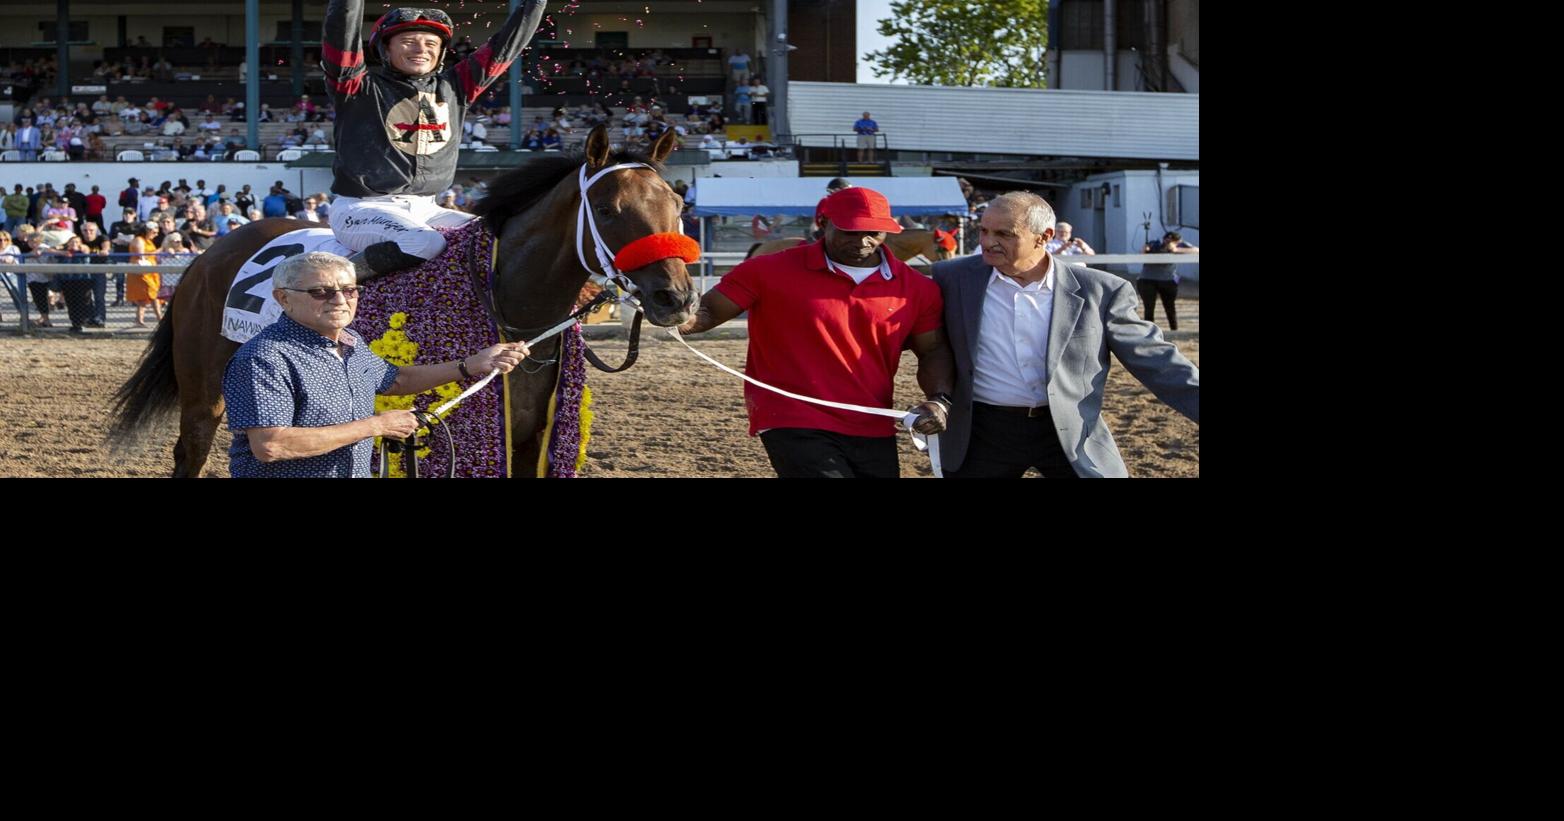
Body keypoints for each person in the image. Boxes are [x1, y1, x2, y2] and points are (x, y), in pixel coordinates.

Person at [679, 186, 954, 478]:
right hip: (792, 416)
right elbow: (705, 314)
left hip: (873, 420)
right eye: (850, 231)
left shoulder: (918, 289)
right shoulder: (765, 270)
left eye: (874, 232)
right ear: (823, 223)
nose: (863, 241)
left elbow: (932, 349)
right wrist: (669, 310)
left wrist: (939, 399)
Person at [930, 192, 1199, 478]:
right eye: (983, 230)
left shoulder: (1102, 291)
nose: (987, 242)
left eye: (1004, 234)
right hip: (980, 432)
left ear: (1043, 237)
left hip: (1070, 430)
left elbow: (1155, 358)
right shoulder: (951, 278)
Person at [221, 252, 530, 478]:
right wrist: (376, 426)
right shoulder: (263, 358)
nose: (339, 300)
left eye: (349, 290)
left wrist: (472, 364)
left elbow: (395, 380)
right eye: (320, 292)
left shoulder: (351, 341)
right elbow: (271, 445)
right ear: (283, 299)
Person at [321, 0, 548, 282]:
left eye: (431, 43)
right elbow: (341, 33)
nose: (421, 49)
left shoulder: (456, 87)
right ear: (385, 49)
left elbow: (506, 48)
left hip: (427, 208)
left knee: (497, 236)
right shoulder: (356, 86)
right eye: (408, 42)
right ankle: (330, 281)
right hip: (361, 208)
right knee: (425, 243)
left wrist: (536, 3)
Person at [1137, 231, 1198, 331]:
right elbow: (1143, 252)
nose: (1167, 242)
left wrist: (1176, 249)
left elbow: (1196, 250)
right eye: (1166, 240)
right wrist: (1145, 249)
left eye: (1171, 240)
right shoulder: (1155, 243)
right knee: (1149, 308)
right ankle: (1149, 331)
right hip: (1148, 279)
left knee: (1170, 307)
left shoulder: (1180, 244)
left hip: (1167, 280)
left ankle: (1174, 330)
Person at [128, 222, 163, 327]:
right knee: (153, 295)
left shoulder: (149, 241)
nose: (156, 235)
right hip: (142, 272)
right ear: (148, 230)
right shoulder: (139, 240)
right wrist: (159, 250)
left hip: (150, 271)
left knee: (145, 297)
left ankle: (139, 320)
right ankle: (160, 319)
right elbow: (141, 256)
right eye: (154, 232)